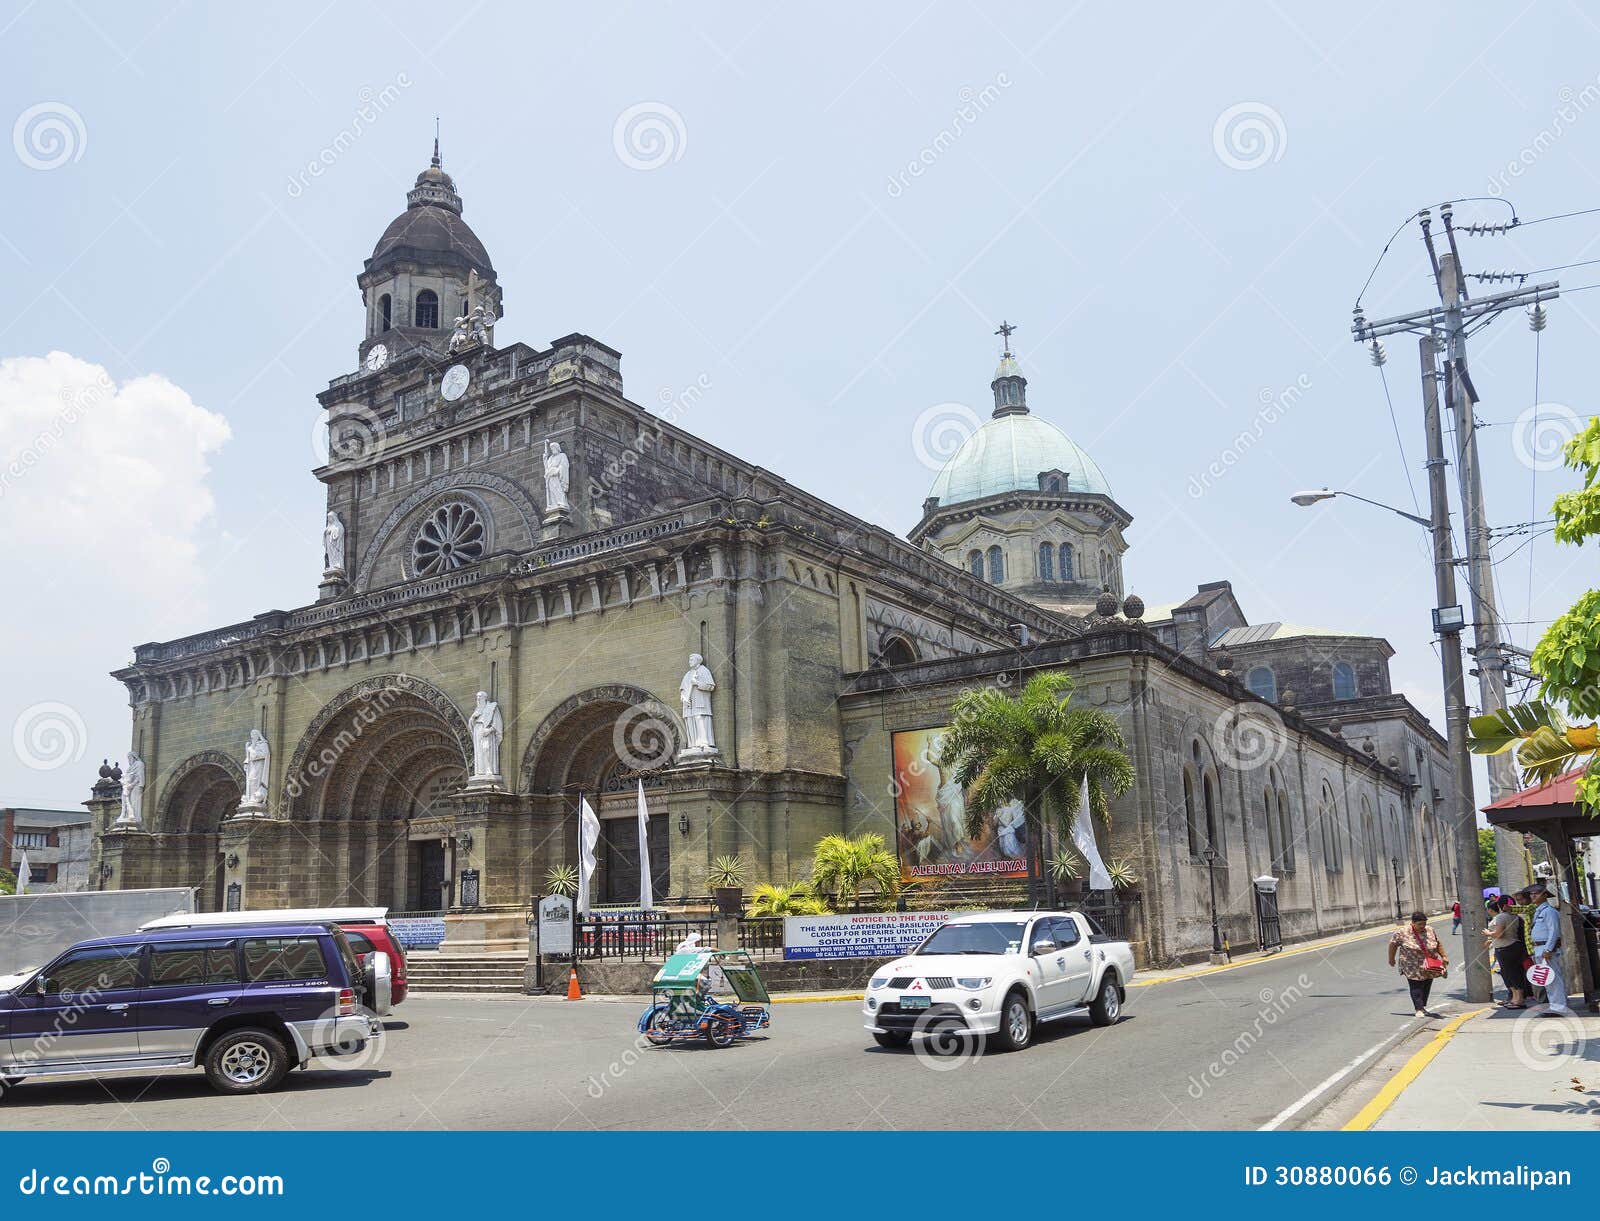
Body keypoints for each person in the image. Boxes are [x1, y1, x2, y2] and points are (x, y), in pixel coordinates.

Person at [1388, 910, 1449, 1018]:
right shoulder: (1402, 932)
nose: (1423, 926)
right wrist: (1391, 959)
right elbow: (1393, 944)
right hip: (1411, 964)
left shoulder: (1430, 930)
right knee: (1416, 984)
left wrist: (1444, 956)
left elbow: (1437, 943)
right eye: (1419, 924)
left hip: (1429, 963)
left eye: (1424, 923)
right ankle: (1419, 1008)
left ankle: (1422, 1006)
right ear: (1412, 923)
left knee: (1426, 984)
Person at [1528, 883, 1574, 1017]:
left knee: (1553, 979)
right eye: (1531, 894)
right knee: (1547, 979)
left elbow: (1554, 932)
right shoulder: (1539, 911)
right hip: (1539, 948)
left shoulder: (1549, 911)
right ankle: (1555, 1005)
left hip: (1546, 949)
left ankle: (1559, 1007)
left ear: (1545, 895)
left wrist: (1548, 949)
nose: (1533, 896)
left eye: (1536, 893)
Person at [1482, 896, 1529, 1010]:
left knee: (1510, 974)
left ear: (1500, 906)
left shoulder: (1501, 917)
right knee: (1515, 973)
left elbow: (1499, 934)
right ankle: (1516, 999)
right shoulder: (1515, 916)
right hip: (1514, 947)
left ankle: (1518, 1000)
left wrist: (1488, 933)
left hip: (1505, 948)